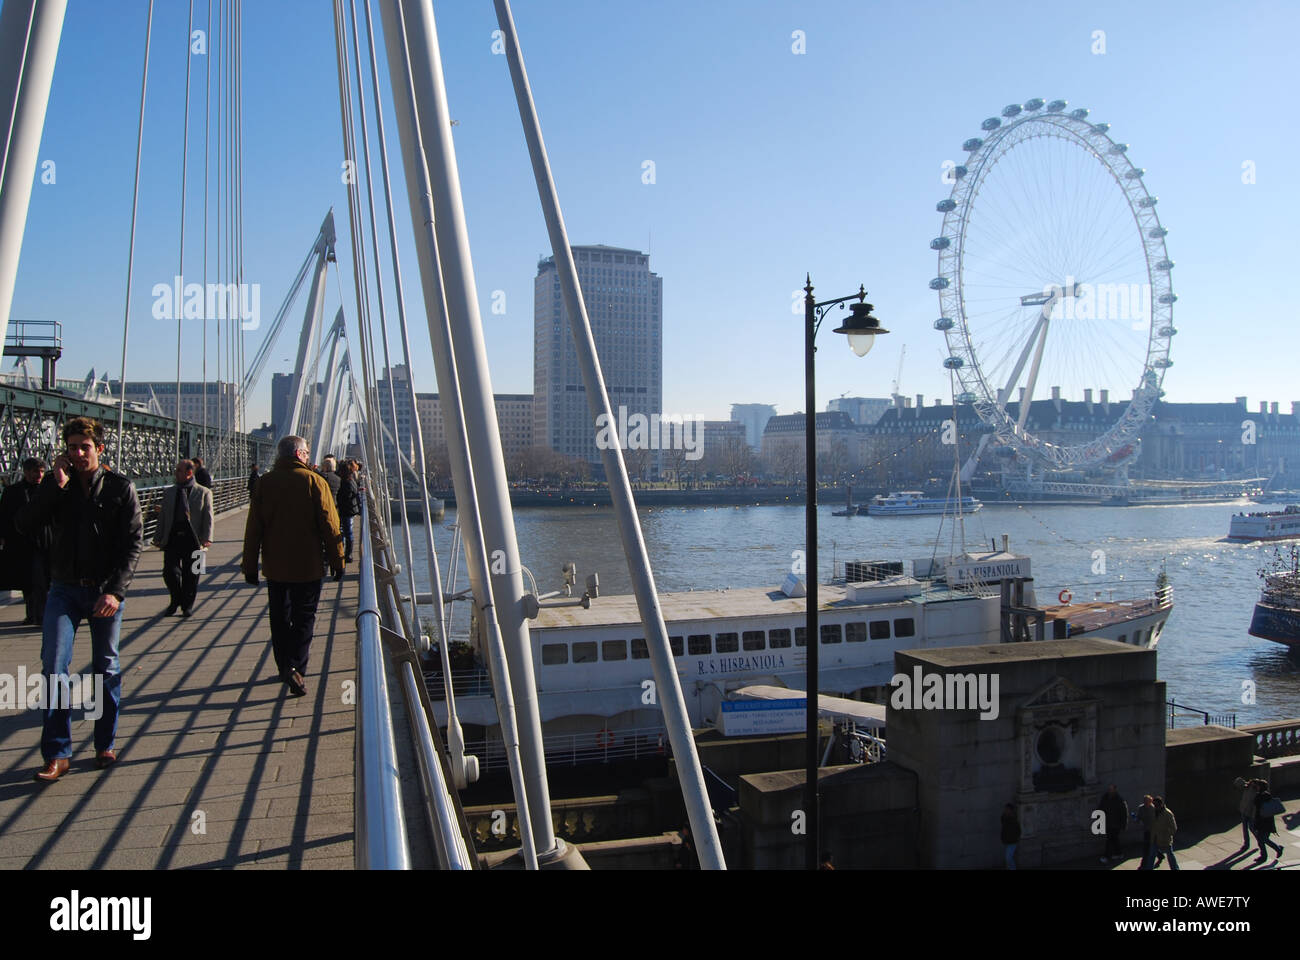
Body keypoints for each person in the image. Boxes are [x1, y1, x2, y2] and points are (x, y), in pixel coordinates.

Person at [18, 417, 143, 782]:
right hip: (64, 590)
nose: (77, 454)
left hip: (104, 590)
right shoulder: (60, 488)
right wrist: (54, 487)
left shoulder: (121, 488)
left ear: (99, 449)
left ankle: (104, 743)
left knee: (106, 667)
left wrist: (116, 592)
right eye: (71, 448)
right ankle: (57, 753)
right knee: (53, 667)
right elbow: (24, 524)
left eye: (83, 447)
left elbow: (133, 544)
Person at [242, 435, 343, 697]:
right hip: (308, 566)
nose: (309, 457)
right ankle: (297, 667)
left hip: (275, 567)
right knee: (304, 618)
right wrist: (338, 561)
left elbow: (254, 529)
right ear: (299, 455)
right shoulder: (314, 481)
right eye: (307, 453)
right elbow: (330, 527)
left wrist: (250, 566)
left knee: (279, 617)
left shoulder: (265, 483)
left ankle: (284, 666)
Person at [151, 459, 214, 616]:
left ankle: (187, 606)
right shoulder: (169, 492)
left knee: (193, 573)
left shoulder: (204, 492)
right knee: (169, 572)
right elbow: (163, 517)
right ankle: (176, 599)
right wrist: (157, 537)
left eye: (179, 470)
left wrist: (208, 538)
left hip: (195, 539)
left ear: (189, 473)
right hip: (173, 537)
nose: (175, 473)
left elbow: (208, 516)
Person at [0, 457, 52, 626]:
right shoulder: (13, 492)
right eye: (36, 471)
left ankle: (39, 615)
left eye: (42, 471)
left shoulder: (47, 490)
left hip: (43, 541)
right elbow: (4, 517)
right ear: (26, 472)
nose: (39, 475)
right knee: (27, 581)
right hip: (21, 543)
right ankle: (32, 614)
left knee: (40, 578)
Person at [1252, 780, 1284, 863]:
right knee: (1262, 839)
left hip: (1264, 821)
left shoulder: (1261, 796)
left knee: (1262, 839)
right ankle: (1272, 851)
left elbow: (1257, 806)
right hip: (1264, 821)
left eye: (1258, 786)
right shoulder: (1265, 795)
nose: (1257, 787)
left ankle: (1271, 852)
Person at [336, 459, 361, 563]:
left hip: (345, 510)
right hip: (350, 510)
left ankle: (345, 553)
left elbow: (343, 497)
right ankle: (348, 554)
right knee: (348, 532)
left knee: (345, 532)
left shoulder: (344, 482)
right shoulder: (351, 481)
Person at [1098, 783, 1128, 863]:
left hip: (1115, 824)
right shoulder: (1105, 798)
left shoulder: (1119, 800)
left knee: (1110, 839)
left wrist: (1123, 824)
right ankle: (1119, 853)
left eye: (1111, 789)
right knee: (1114, 839)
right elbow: (1100, 809)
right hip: (1108, 822)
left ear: (1115, 790)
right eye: (1109, 789)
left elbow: (1124, 813)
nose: (1109, 790)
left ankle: (1106, 856)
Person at [1234, 776, 1261, 851]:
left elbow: (1253, 803)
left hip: (1250, 812)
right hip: (1244, 811)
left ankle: (1260, 841)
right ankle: (1246, 844)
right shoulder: (1247, 787)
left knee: (1252, 828)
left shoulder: (1254, 790)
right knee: (1245, 828)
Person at [1151, 796, 1178, 870]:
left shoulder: (1168, 813)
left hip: (1165, 839)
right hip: (1155, 838)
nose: (1155, 807)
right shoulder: (1153, 812)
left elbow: (1174, 828)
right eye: (1154, 805)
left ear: (1161, 805)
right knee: (1151, 856)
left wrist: (1166, 834)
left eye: (1156, 805)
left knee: (1170, 856)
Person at [1135, 794, 1157, 870]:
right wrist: (1138, 820)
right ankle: (1144, 864)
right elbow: (1138, 817)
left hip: (1153, 831)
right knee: (1146, 848)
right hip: (1146, 830)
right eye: (1145, 801)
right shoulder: (1141, 808)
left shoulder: (1154, 809)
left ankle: (1145, 864)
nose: (1146, 803)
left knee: (1150, 847)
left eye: (1147, 802)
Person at [1000, 803, 1020, 870]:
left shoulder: (1013, 819)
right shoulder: (1005, 818)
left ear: (1010, 810)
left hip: (1012, 841)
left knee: (1008, 858)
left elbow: (1018, 830)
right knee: (1008, 858)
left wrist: (1015, 837)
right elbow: (1002, 821)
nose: (1005, 810)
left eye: (1007, 809)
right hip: (1007, 841)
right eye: (1005, 809)